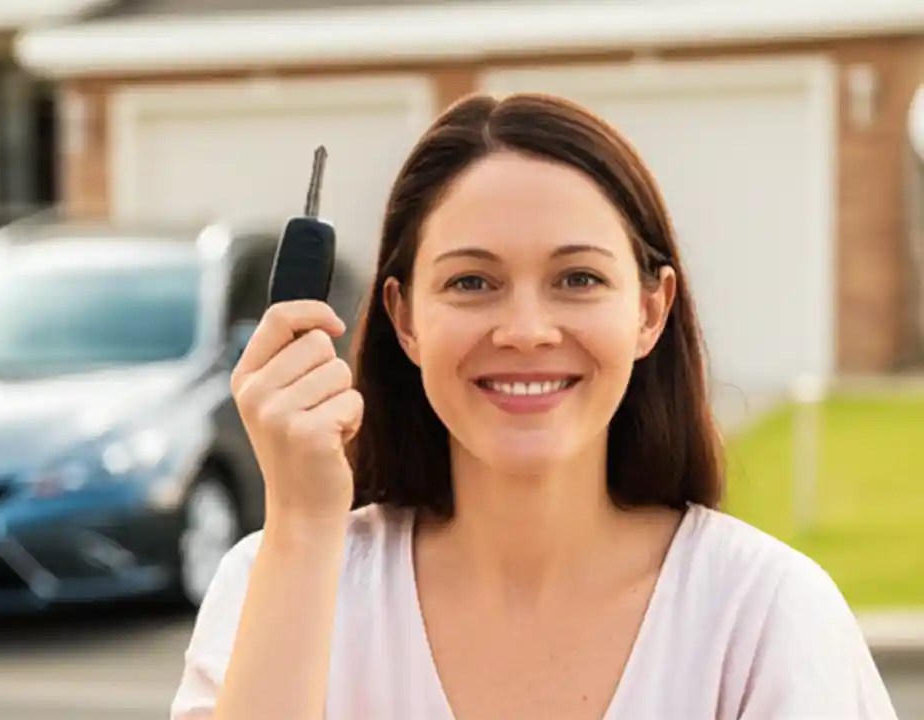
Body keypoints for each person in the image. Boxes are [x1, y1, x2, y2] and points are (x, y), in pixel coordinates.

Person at [170, 92, 899, 720]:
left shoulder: (765, 613)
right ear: (404, 319)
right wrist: (300, 524)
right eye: (471, 283)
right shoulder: (272, 582)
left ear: (651, 312)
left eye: (578, 278)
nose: (524, 331)